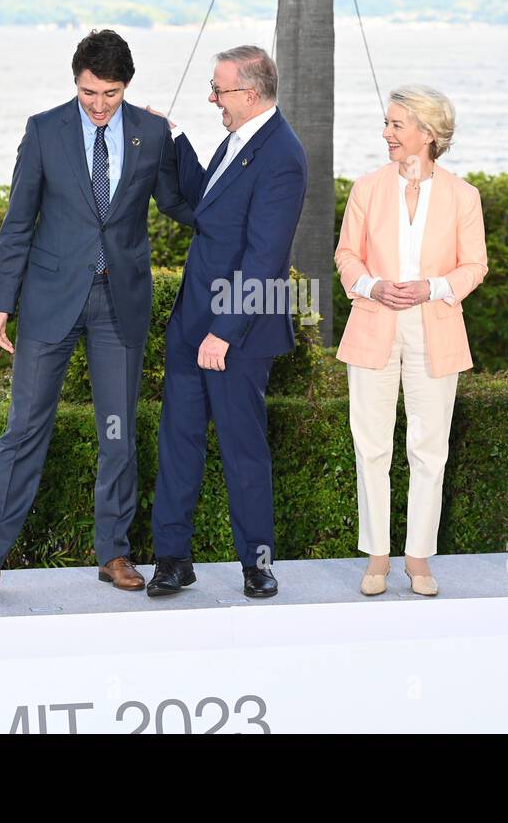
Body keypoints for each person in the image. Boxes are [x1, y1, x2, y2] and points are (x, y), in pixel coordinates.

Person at [0, 30, 195, 593]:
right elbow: (18, 222)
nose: (100, 104)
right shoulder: (43, 130)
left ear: (126, 86)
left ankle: (114, 554)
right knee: (24, 427)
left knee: (118, 432)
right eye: (89, 93)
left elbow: (179, 205)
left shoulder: (152, 132)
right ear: (76, 82)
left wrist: (182, 142)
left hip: (120, 305)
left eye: (110, 93)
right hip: (49, 300)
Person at [145, 45, 307, 600]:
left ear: (251, 94)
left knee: (243, 448)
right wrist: (174, 141)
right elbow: (201, 209)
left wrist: (223, 330)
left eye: (219, 90)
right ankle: (172, 560)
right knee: (179, 442)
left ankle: (256, 566)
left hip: (236, 333)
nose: (212, 97)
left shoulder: (282, 154)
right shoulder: (236, 141)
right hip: (192, 321)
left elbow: (265, 256)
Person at [334, 85, 488, 597]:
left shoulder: (464, 196)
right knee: (371, 445)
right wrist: (374, 285)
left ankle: (418, 558)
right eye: (387, 124)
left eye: (397, 125)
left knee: (430, 449)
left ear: (428, 132)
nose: (387, 133)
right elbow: (346, 257)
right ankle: (377, 556)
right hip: (374, 324)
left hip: (434, 329)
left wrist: (432, 288)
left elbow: (475, 266)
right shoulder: (366, 188)